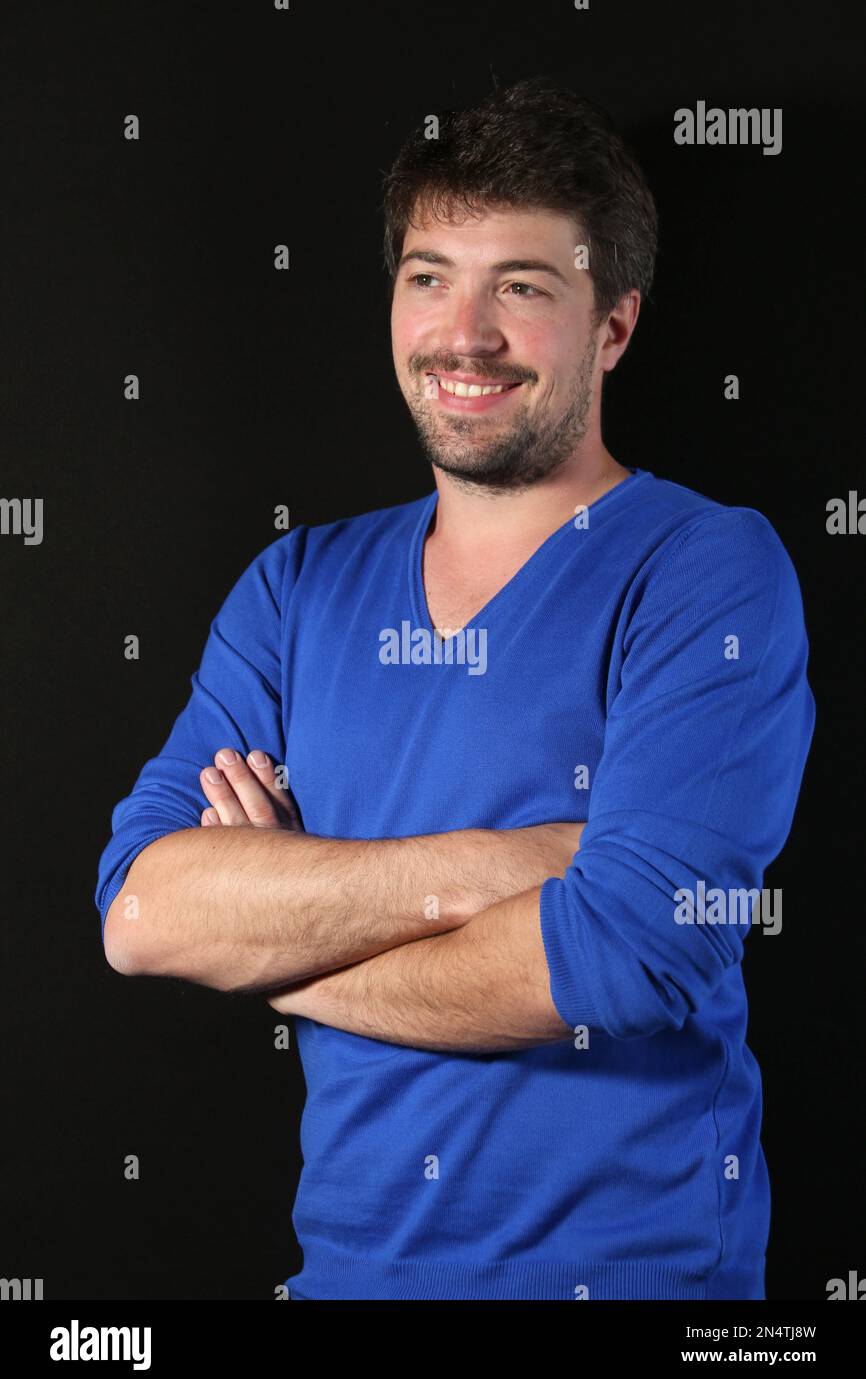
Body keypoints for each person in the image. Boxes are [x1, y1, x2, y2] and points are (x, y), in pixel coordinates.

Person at [96, 76, 815, 1300]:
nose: (462, 333)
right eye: (429, 276)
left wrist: (277, 945)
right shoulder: (297, 587)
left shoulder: (705, 568)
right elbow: (142, 911)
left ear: (614, 327)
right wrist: (523, 863)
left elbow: (632, 955)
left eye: (521, 287)